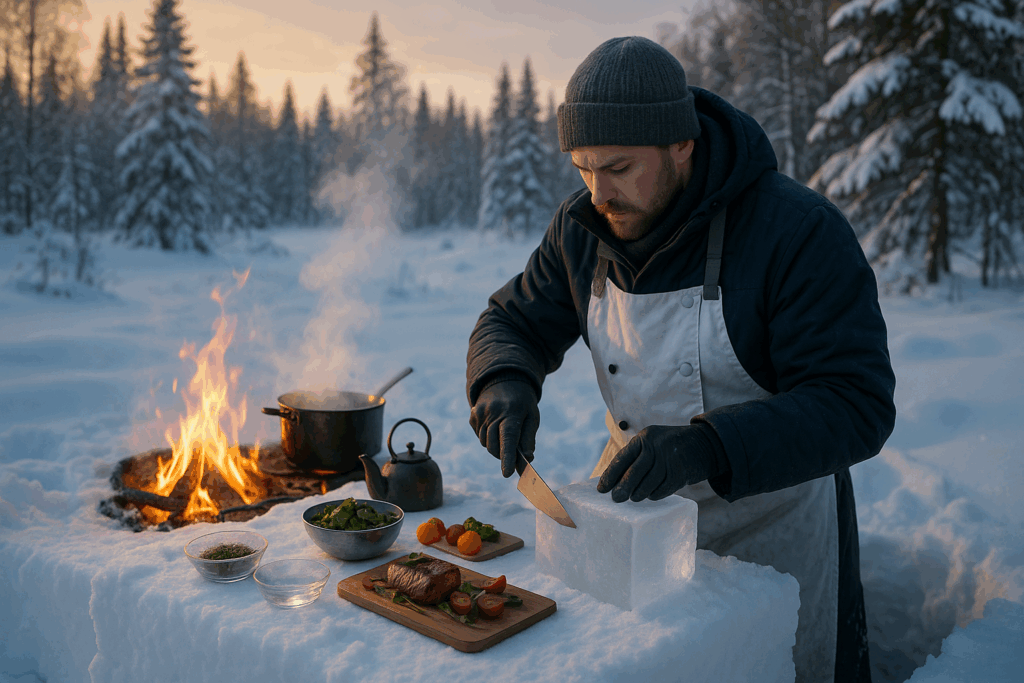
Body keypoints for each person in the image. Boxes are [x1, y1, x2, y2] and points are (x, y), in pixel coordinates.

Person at [466, 36, 896, 683]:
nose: (598, 192)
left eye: (619, 167)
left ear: (681, 145)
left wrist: (710, 446)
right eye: (583, 168)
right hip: (629, 513)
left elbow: (854, 402)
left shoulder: (795, 231)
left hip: (770, 525)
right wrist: (502, 379)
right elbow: (512, 321)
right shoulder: (582, 232)